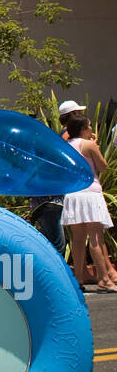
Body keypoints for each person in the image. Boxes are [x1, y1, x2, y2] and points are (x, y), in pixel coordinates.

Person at [61, 115, 117, 291]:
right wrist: (95, 145)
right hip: (90, 193)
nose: (92, 129)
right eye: (90, 127)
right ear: (84, 129)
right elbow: (103, 167)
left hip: (72, 193)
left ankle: (78, 279)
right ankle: (104, 280)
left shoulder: (65, 146)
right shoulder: (89, 145)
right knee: (96, 238)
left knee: (78, 240)